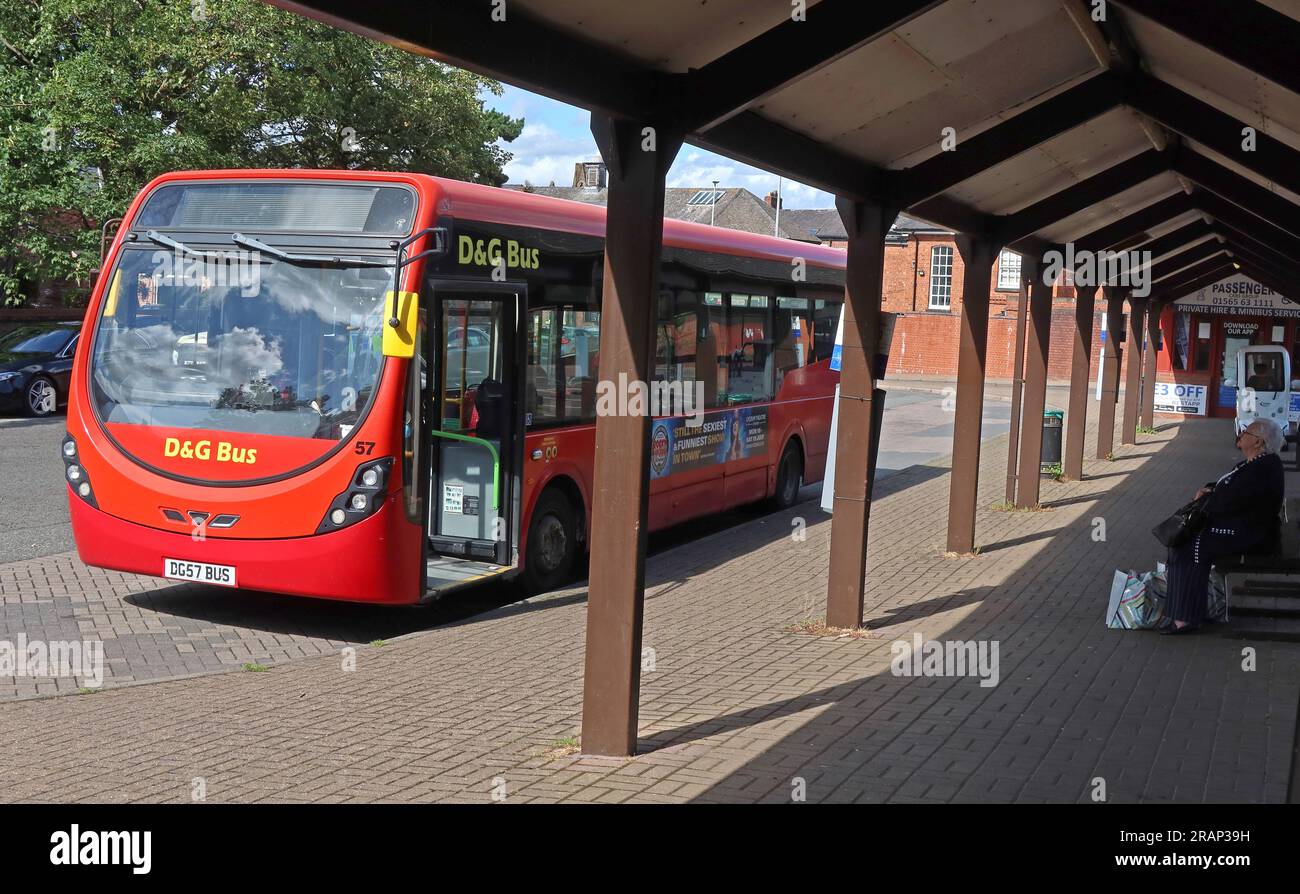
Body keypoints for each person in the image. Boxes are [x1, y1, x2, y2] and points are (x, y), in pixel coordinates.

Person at [1164, 417, 1286, 634]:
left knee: (1191, 544)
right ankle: (1186, 613)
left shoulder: (1264, 467)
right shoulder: (1253, 464)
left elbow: (1232, 499)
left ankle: (1185, 617)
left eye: (1246, 432)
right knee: (1184, 540)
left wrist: (1207, 500)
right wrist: (1210, 489)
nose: (1240, 434)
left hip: (1252, 534)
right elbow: (1228, 488)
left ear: (1258, 442)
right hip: (1242, 527)